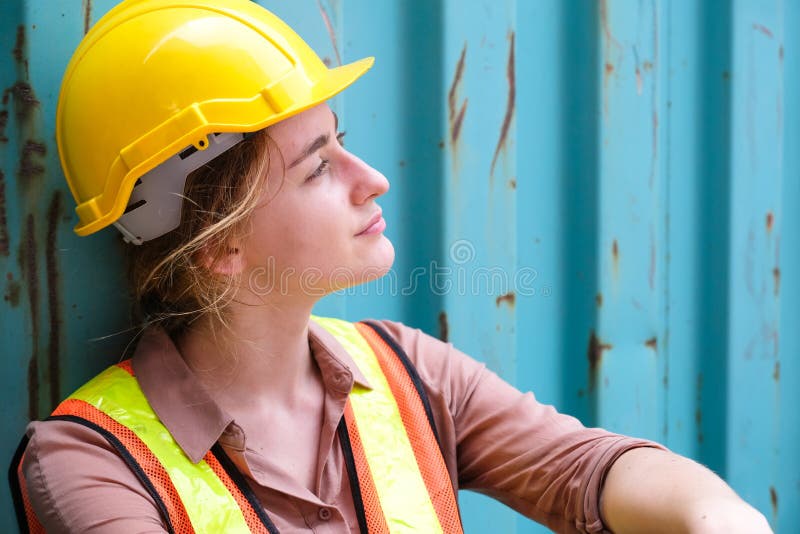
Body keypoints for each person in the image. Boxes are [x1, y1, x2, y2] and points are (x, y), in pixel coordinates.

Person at [10, 1, 772, 533]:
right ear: (219, 247)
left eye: (341, 139)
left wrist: (719, 518)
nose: (371, 177)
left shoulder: (403, 368)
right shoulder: (91, 463)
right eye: (317, 168)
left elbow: (588, 470)